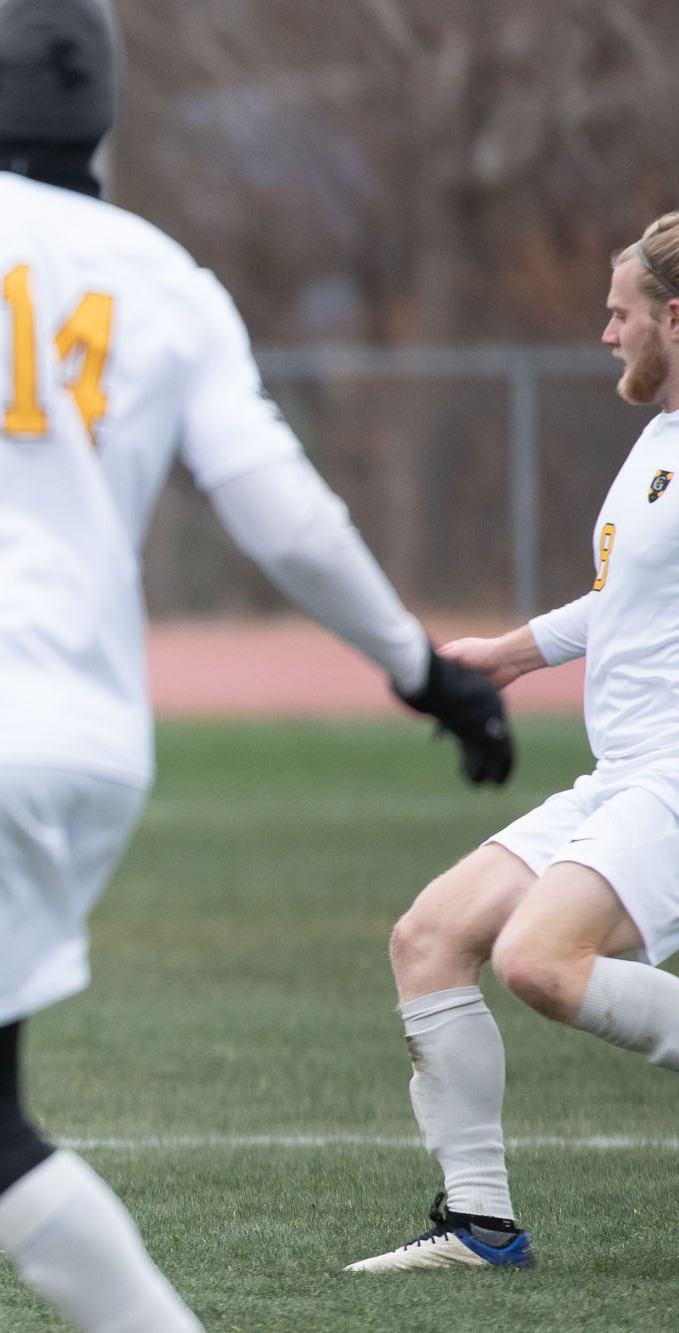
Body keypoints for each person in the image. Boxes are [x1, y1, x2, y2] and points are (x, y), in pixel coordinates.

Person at [0, 1, 512, 1327]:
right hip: (97, 739)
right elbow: (290, 518)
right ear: (105, 116)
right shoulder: (168, 276)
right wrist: (419, 669)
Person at [346, 212, 679, 1273]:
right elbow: (624, 605)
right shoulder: (656, 442)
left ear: (674, 319)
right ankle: (478, 1226)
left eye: (618, 313)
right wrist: (507, 653)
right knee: (428, 937)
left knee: (539, 958)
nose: (603, 333)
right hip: (619, 772)